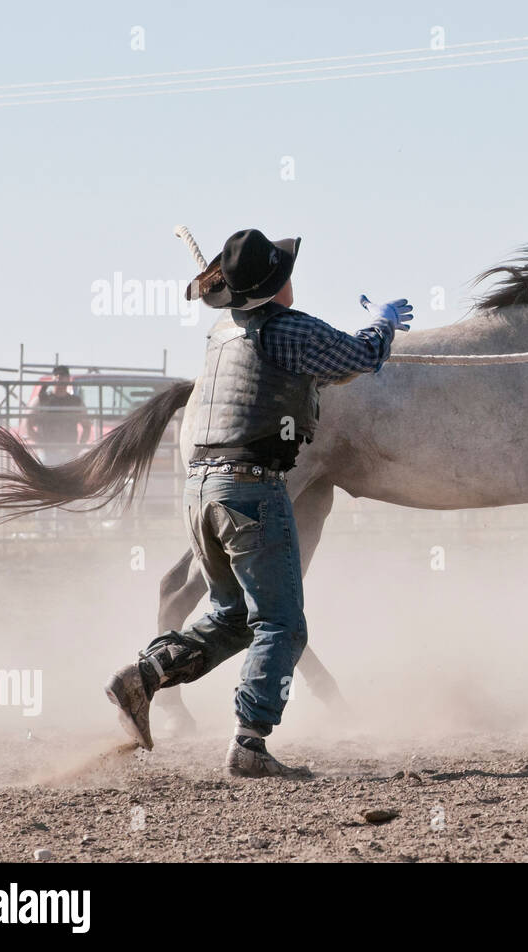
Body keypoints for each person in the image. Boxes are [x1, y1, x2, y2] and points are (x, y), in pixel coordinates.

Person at [104, 228, 413, 778]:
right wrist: (384, 324)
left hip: (201, 494)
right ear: (277, 284)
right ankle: (249, 742)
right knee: (282, 625)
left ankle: (144, 675)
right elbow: (358, 357)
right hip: (251, 490)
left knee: (232, 615)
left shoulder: (222, 332)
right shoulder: (286, 329)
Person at [27, 366, 91, 465]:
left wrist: (78, 449)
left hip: (69, 452)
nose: (59, 378)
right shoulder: (41, 400)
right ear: (52, 378)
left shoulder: (76, 402)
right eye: (56, 375)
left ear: (68, 379)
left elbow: (87, 426)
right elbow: (27, 423)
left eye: (63, 375)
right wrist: (41, 444)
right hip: (47, 453)